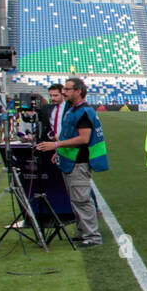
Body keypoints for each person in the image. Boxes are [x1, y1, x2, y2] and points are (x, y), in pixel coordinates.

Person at [36, 78, 108, 247]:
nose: (64, 92)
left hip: (79, 161)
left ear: (78, 91)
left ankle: (92, 236)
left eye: (67, 89)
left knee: (82, 199)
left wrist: (55, 145)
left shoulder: (82, 111)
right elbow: (69, 134)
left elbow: (84, 138)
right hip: (71, 159)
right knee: (76, 199)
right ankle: (83, 232)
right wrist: (59, 151)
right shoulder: (74, 110)